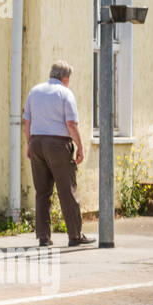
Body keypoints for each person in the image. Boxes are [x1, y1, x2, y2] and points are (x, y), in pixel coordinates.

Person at [22, 60, 91, 247]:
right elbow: (71, 124)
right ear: (65, 78)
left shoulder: (35, 91)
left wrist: (30, 143)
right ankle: (75, 236)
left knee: (42, 192)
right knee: (67, 190)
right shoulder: (65, 93)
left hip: (36, 142)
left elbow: (26, 120)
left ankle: (44, 237)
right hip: (58, 145)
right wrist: (80, 146)